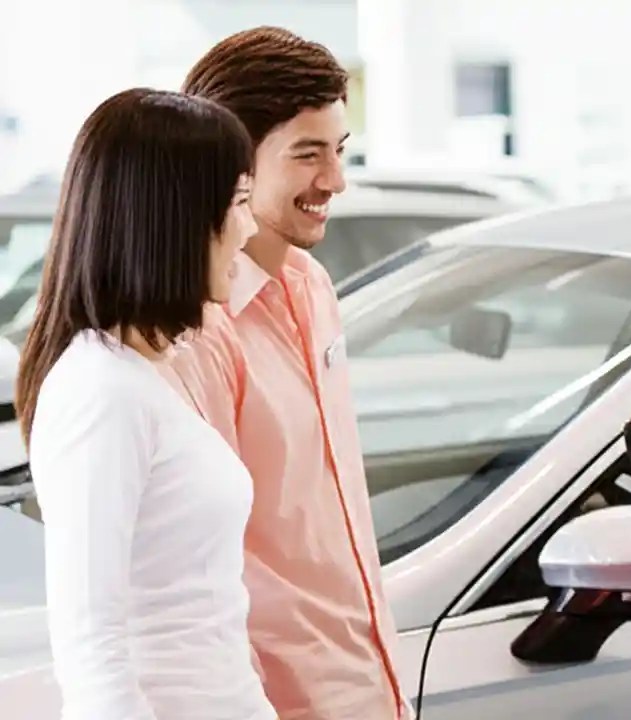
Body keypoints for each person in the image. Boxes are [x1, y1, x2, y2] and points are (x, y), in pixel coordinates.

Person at [161, 27, 406, 719]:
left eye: (340, 151)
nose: (335, 180)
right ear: (232, 162)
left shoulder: (311, 284)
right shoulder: (197, 330)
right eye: (308, 155)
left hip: (367, 682)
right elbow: (194, 572)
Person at [16, 88, 273, 719]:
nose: (251, 226)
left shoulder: (152, 370)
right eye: (239, 202)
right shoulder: (100, 391)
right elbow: (90, 638)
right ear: (178, 217)